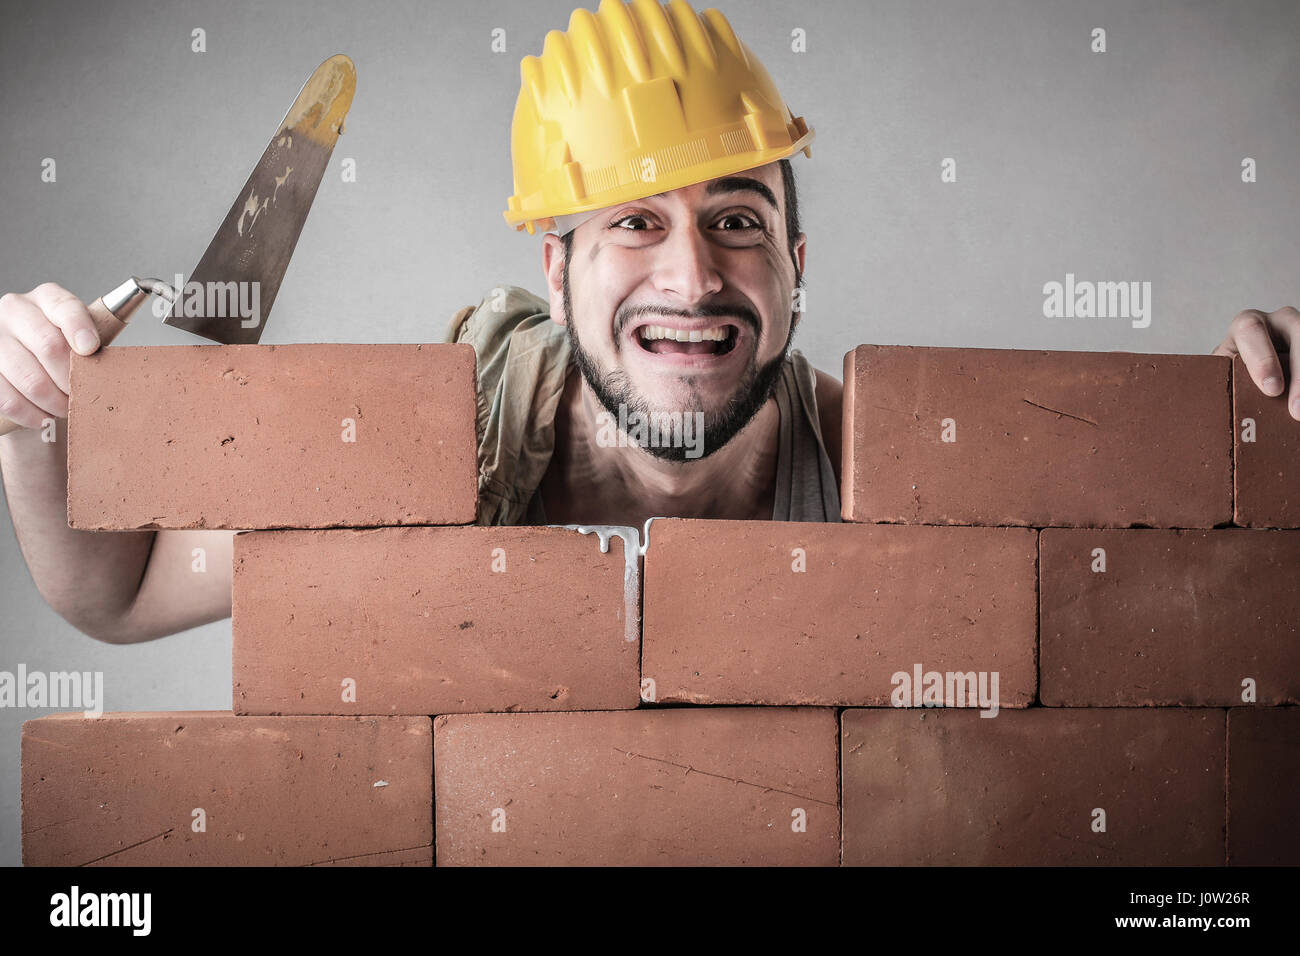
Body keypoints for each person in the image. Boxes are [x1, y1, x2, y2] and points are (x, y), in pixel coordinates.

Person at [0, 0, 1295, 644]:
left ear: (795, 263)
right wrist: (32, 423)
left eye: (735, 219)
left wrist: (1269, 430)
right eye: (633, 221)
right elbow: (118, 589)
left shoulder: (886, 474)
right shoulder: (435, 446)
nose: (691, 277)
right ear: (553, 273)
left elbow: (1190, 595)